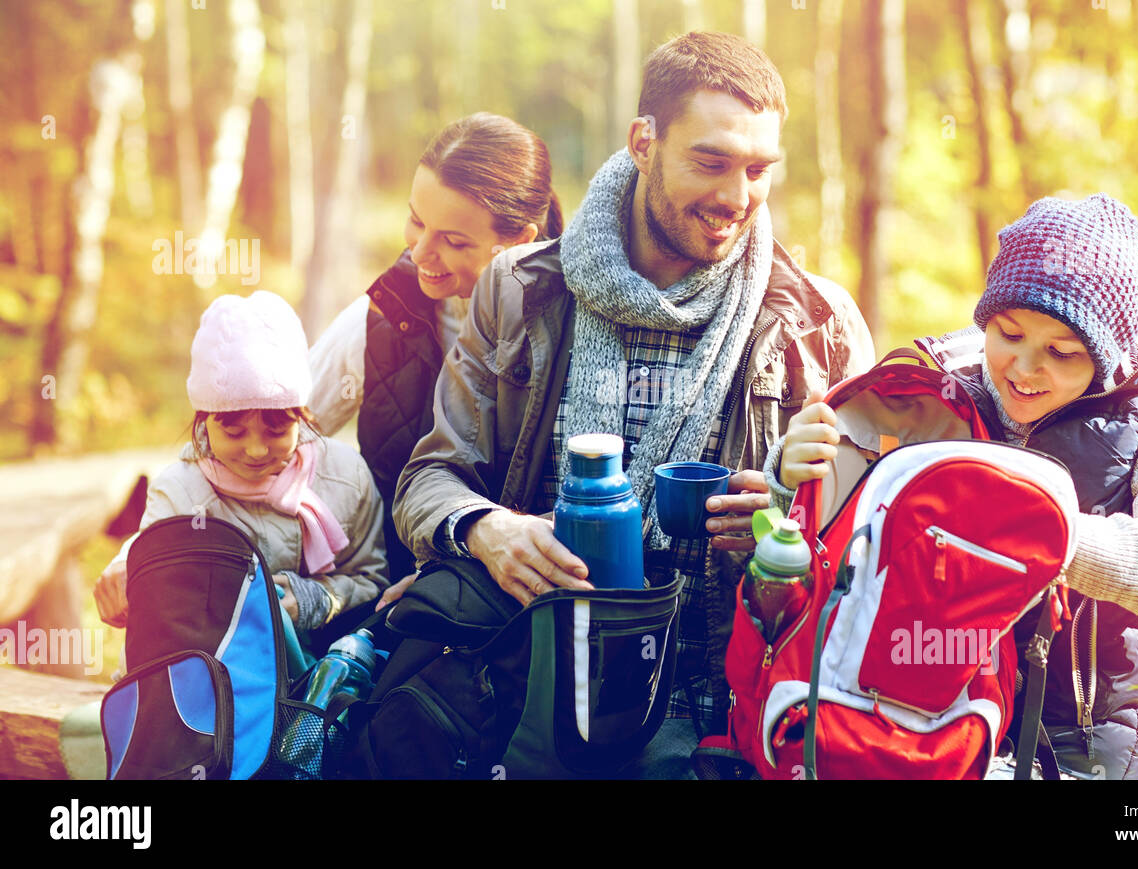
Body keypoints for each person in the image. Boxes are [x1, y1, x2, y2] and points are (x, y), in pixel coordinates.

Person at [393, 31, 874, 776]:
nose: (734, 197)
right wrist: (488, 529)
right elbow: (427, 480)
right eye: (710, 161)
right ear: (642, 142)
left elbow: (867, 570)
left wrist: (785, 538)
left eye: (758, 170)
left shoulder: (820, 326)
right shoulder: (520, 290)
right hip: (528, 682)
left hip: (717, 708)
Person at [771, 193, 1138, 779]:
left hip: (1079, 732)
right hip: (933, 704)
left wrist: (1047, 538)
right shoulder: (938, 388)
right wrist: (791, 473)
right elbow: (837, 523)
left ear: (1109, 354)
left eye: (1061, 352)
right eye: (1008, 333)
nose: (1023, 367)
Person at [307, 113, 563, 595]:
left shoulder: (572, 327)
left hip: (529, 602)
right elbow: (273, 419)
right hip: (392, 598)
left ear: (520, 242)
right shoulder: (384, 315)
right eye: (417, 221)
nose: (420, 253)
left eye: (453, 240)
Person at [94, 291, 388, 643]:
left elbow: (372, 581)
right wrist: (127, 571)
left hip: (319, 677)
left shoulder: (345, 478)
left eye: (277, 430)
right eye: (233, 432)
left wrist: (318, 600)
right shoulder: (182, 491)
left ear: (301, 415)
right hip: (214, 677)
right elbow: (154, 560)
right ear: (204, 421)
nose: (256, 449)